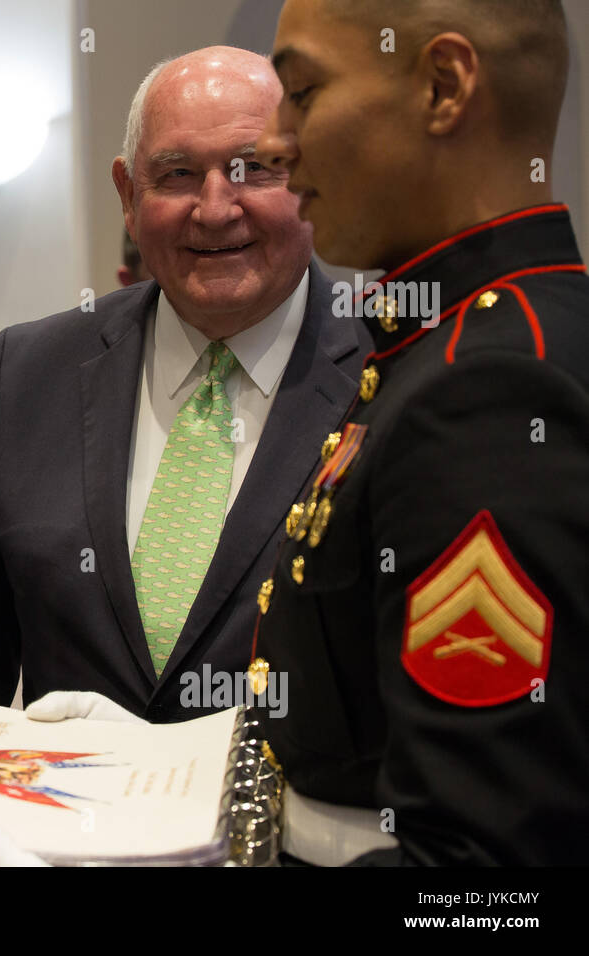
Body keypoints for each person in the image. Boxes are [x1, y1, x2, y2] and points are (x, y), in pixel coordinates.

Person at [0, 47, 370, 721]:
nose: (215, 209)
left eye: (252, 168)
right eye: (178, 174)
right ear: (129, 196)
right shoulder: (27, 373)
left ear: (308, 176)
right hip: (60, 823)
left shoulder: (390, 378)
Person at [248, 0, 589, 864]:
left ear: (444, 86)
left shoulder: (489, 386)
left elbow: (488, 877)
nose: (278, 140)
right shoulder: (481, 337)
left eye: (303, 90)